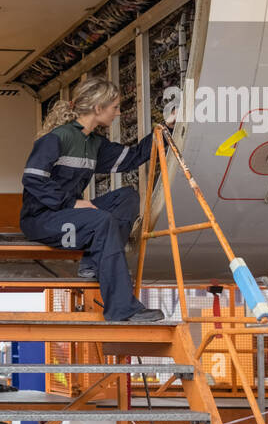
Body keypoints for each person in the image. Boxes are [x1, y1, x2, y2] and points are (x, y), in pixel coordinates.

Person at [19, 76, 167, 323]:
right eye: (115, 107)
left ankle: (93, 263)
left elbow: (133, 158)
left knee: (127, 197)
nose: (118, 113)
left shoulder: (94, 143)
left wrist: (167, 128)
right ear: (98, 108)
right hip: (42, 220)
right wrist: (71, 203)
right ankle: (121, 309)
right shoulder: (58, 138)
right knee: (102, 220)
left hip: (73, 215)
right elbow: (32, 179)